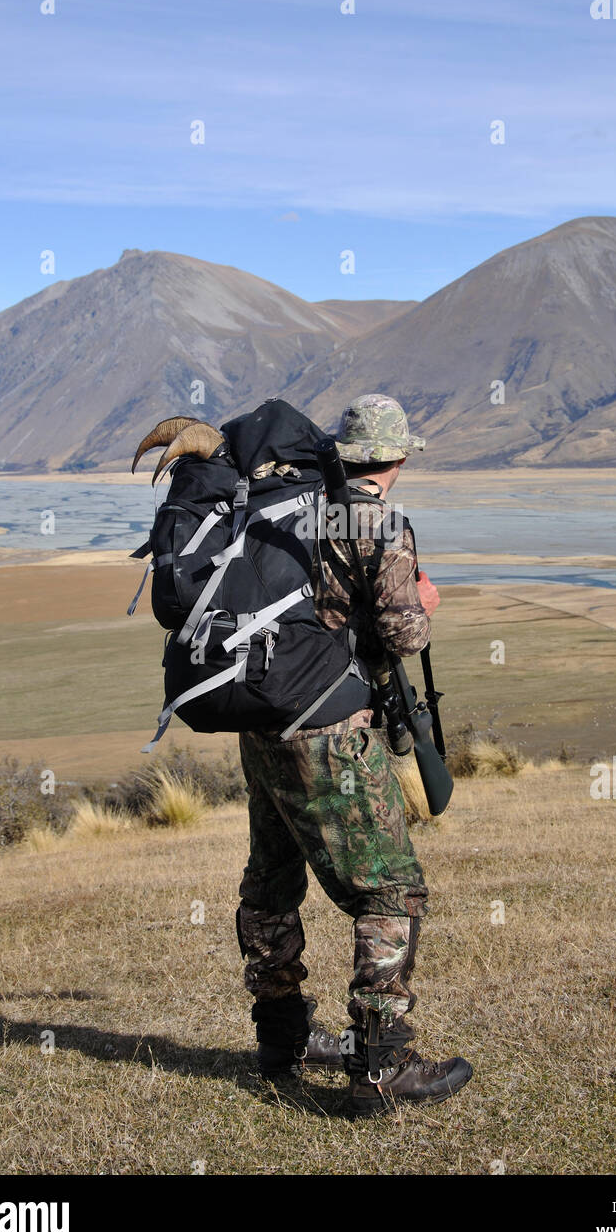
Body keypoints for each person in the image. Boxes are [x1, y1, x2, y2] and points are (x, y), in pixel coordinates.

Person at [235, 394, 473, 1115]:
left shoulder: (286, 511)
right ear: (397, 457)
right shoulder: (377, 522)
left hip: (264, 722)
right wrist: (422, 603)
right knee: (390, 890)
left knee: (271, 879)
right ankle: (381, 1065)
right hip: (332, 731)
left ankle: (280, 1039)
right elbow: (403, 636)